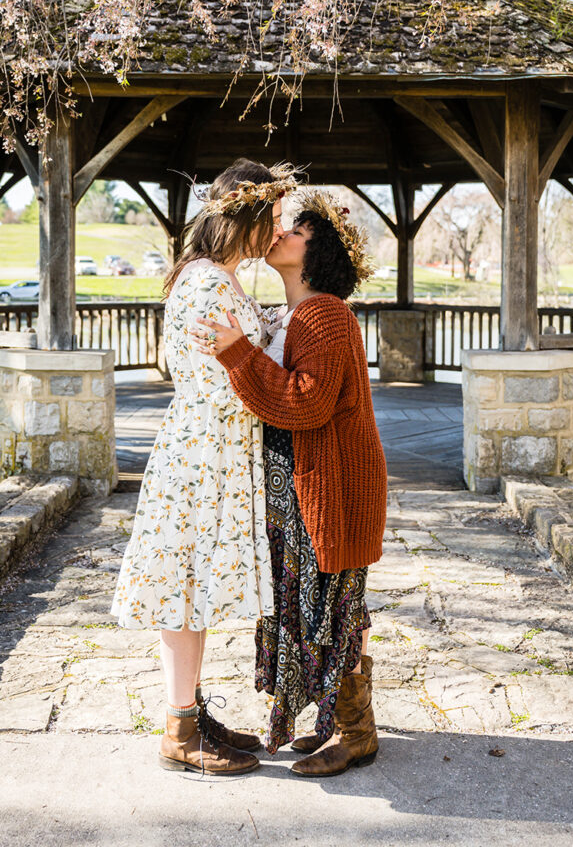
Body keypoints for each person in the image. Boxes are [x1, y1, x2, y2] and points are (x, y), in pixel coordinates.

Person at [110, 158, 297, 776]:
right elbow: (228, 381)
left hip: (212, 450)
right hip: (204, 453)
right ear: (242, 218)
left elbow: (248, 345)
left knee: (191, 588)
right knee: (184, 589)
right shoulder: (210, 283)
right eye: (269, 220)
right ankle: (179, 729)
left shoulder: (216, 276)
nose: (275, 233)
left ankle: (187, 714)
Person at [192, 189, 388, 778]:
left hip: (329, 490)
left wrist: (239, 356)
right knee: (313, 609)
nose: (280, 233)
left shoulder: (324, 312)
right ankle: (340, 722)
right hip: (303, 489)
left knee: (333, 609)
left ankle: (357, 732)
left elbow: (306, 404)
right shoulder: (297, 314)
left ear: (316, 248)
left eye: (296, 229)